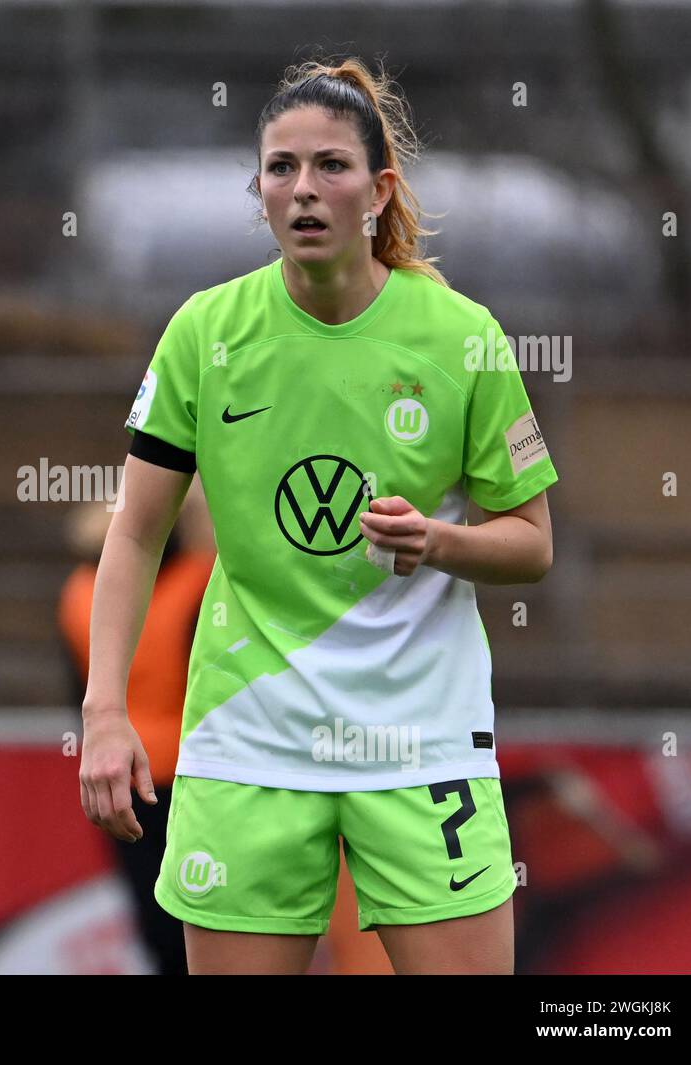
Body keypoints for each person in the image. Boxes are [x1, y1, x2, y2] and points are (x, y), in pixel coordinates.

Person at [77, 56, 559, 975]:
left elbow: (533, 544)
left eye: (330, 167)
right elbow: (134, 533)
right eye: (280, 167)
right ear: (258, 189)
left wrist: (440, 541)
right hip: (251, 735)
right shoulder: (205, 335)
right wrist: (104, 711)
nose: (303, 189)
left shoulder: (465, 338)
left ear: (378, 190)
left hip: (419, 740)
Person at [59, 494, 215, 974]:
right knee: (204, 914)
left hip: (119, 771)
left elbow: (77, 690)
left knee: (154, 916)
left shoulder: (78, 593)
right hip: (192, 770)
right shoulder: (200, 580)